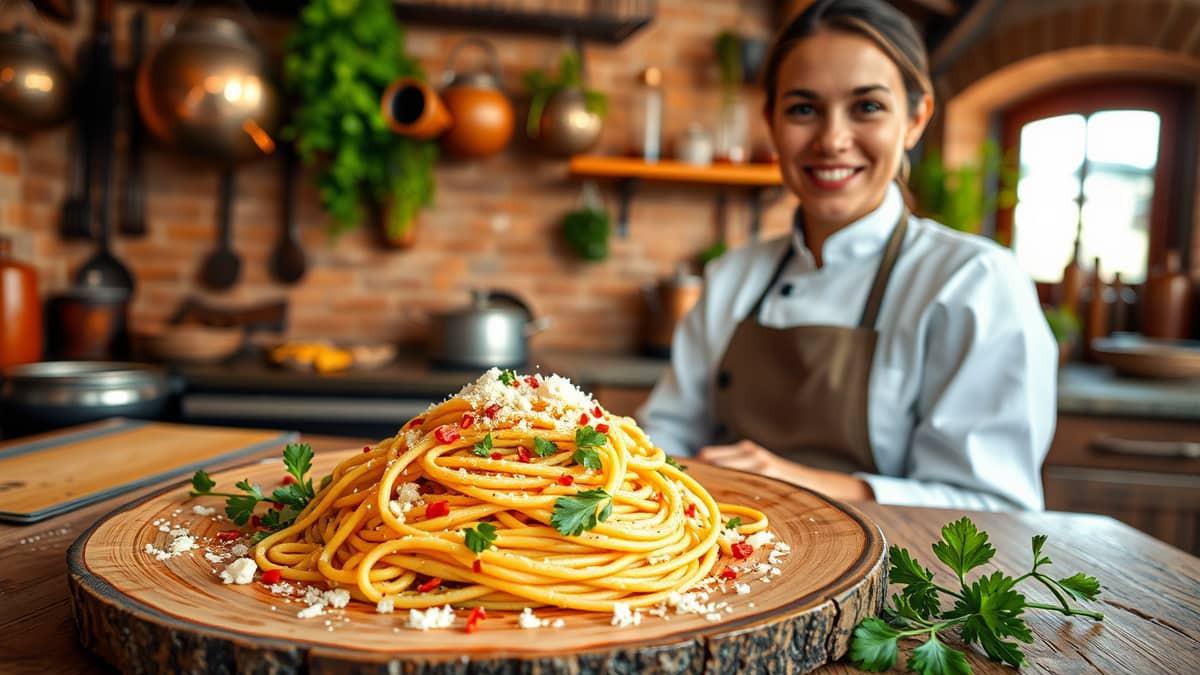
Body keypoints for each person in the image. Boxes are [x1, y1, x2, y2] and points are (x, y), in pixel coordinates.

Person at [637, 0, 1057, 511]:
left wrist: (799, 484)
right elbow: (662, 446)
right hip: (730, 554)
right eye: (803, 109)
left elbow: (996, 510)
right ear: (771, 121)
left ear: (915, 119)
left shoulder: (973, 282)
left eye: (868, 107)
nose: (832, 140)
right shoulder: (733, 276)